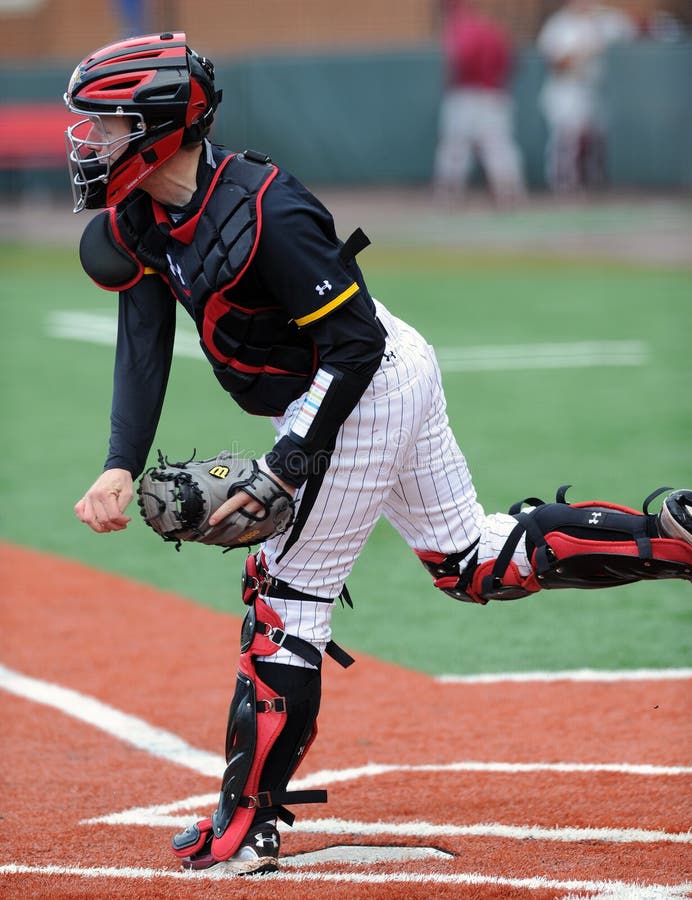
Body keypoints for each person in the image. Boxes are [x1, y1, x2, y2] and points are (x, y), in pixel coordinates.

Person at [64, 32, 692, 876]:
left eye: (106, 127)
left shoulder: (269, 211)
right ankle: (678, 537)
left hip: (364, 378)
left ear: (162, 126)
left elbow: (353, 347)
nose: (89, 144)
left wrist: (287, 464)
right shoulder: (138, 218)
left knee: (286, 595)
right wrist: (118, 460)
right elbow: (142, 343)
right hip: (362, 373)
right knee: (474, 561)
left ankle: (243, 826)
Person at [431, 0, 526, 205]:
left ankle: (449, 195)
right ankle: (509, 193)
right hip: (495, 95)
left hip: (465, 95)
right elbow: (512, 60)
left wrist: (452, 80)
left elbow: (462, 59)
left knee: (455, 148)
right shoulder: (491, 27)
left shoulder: (458, 27)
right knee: (499, 147)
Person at [536, 0, 637, 192]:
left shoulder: (606, 20)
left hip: (596, 90)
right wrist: (584, 50)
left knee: (597, 140)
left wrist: (603, 16)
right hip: (566, 90)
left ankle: (594, 187)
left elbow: (632, 31)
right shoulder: (558, 24)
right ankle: (564, 186)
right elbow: (556, 63)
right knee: (567, 140)